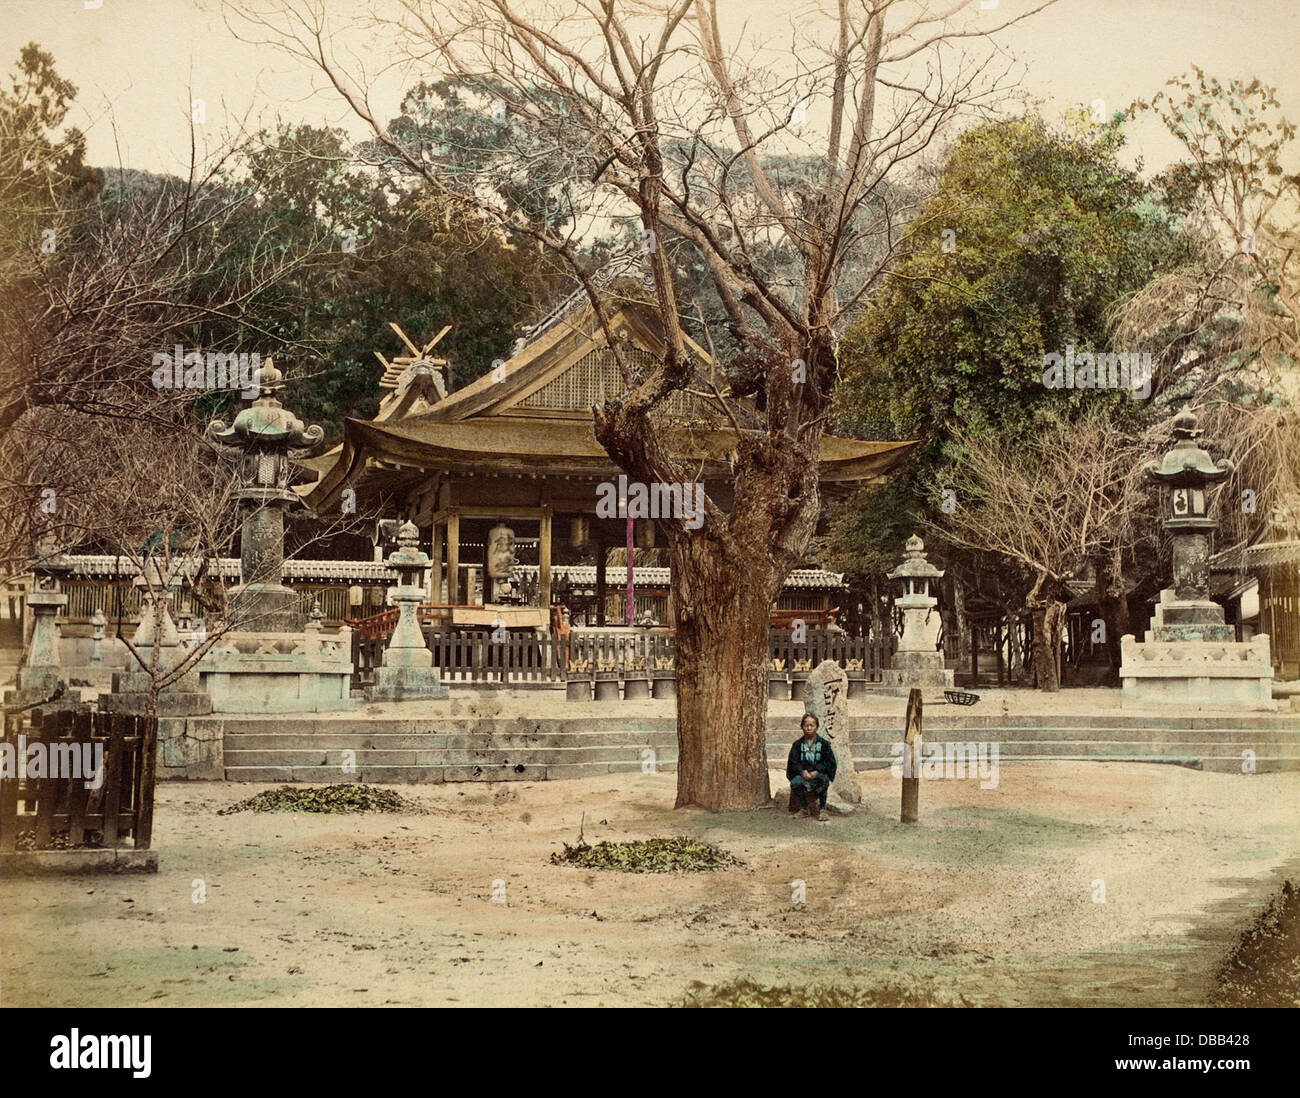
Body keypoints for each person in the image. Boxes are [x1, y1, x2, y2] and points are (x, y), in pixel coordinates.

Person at [787, 713, 837, 821]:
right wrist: (801, 771)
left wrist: (817, 771)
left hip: (818, 776)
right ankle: (804, 808)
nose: (809, 728)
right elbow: (793, 762)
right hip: (803, 776)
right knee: (795, 782)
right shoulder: (797, 745)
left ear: (817, 727)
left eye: (812, 725)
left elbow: (830, 762)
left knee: (824, 780)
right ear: (802, 727)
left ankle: (823, 809)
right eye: (806, 725)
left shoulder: (824, 744)